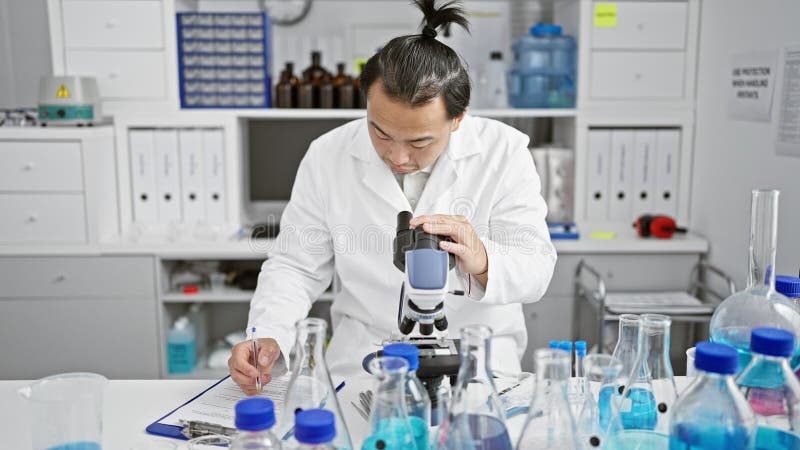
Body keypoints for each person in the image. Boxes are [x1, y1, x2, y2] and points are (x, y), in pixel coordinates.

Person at [229, 0, 556, 395]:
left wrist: (483, 259)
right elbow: (296, 266)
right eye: (380, 132)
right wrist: (269, 335)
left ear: (458, 118)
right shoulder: (328, 154)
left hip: (478, 359)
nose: (397, 157)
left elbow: (536, 266)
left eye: (419, 141)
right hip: (364, 362)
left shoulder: (503, 152)